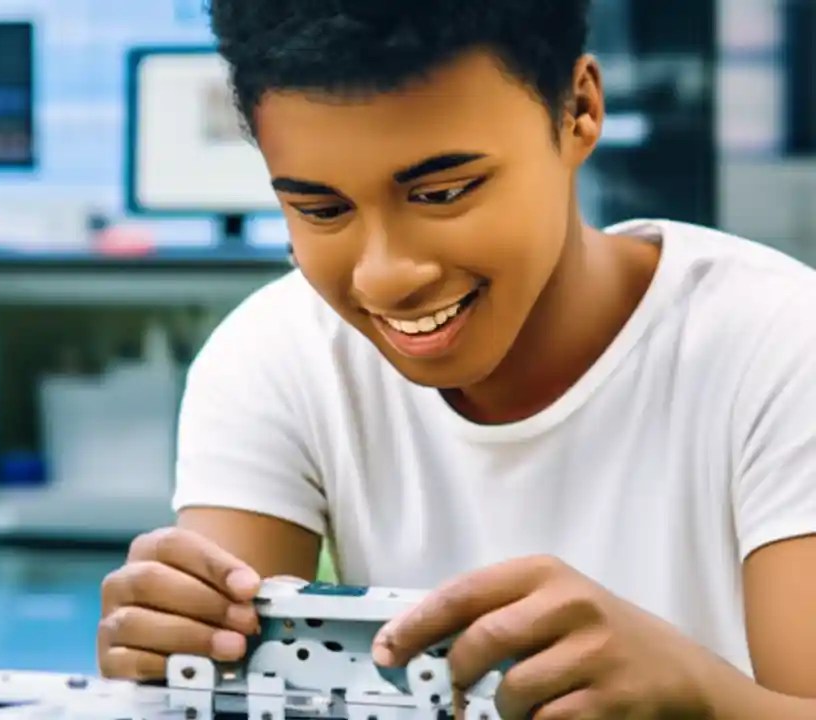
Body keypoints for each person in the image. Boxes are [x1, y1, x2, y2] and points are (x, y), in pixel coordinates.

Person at [97, 1, 816, 717]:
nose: (384, 276)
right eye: (321, 211)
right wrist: (169, 660)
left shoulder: (779, 344)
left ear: (579, 112)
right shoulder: (274, 357)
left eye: (441, 194)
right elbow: (234, 687)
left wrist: (702, 700)